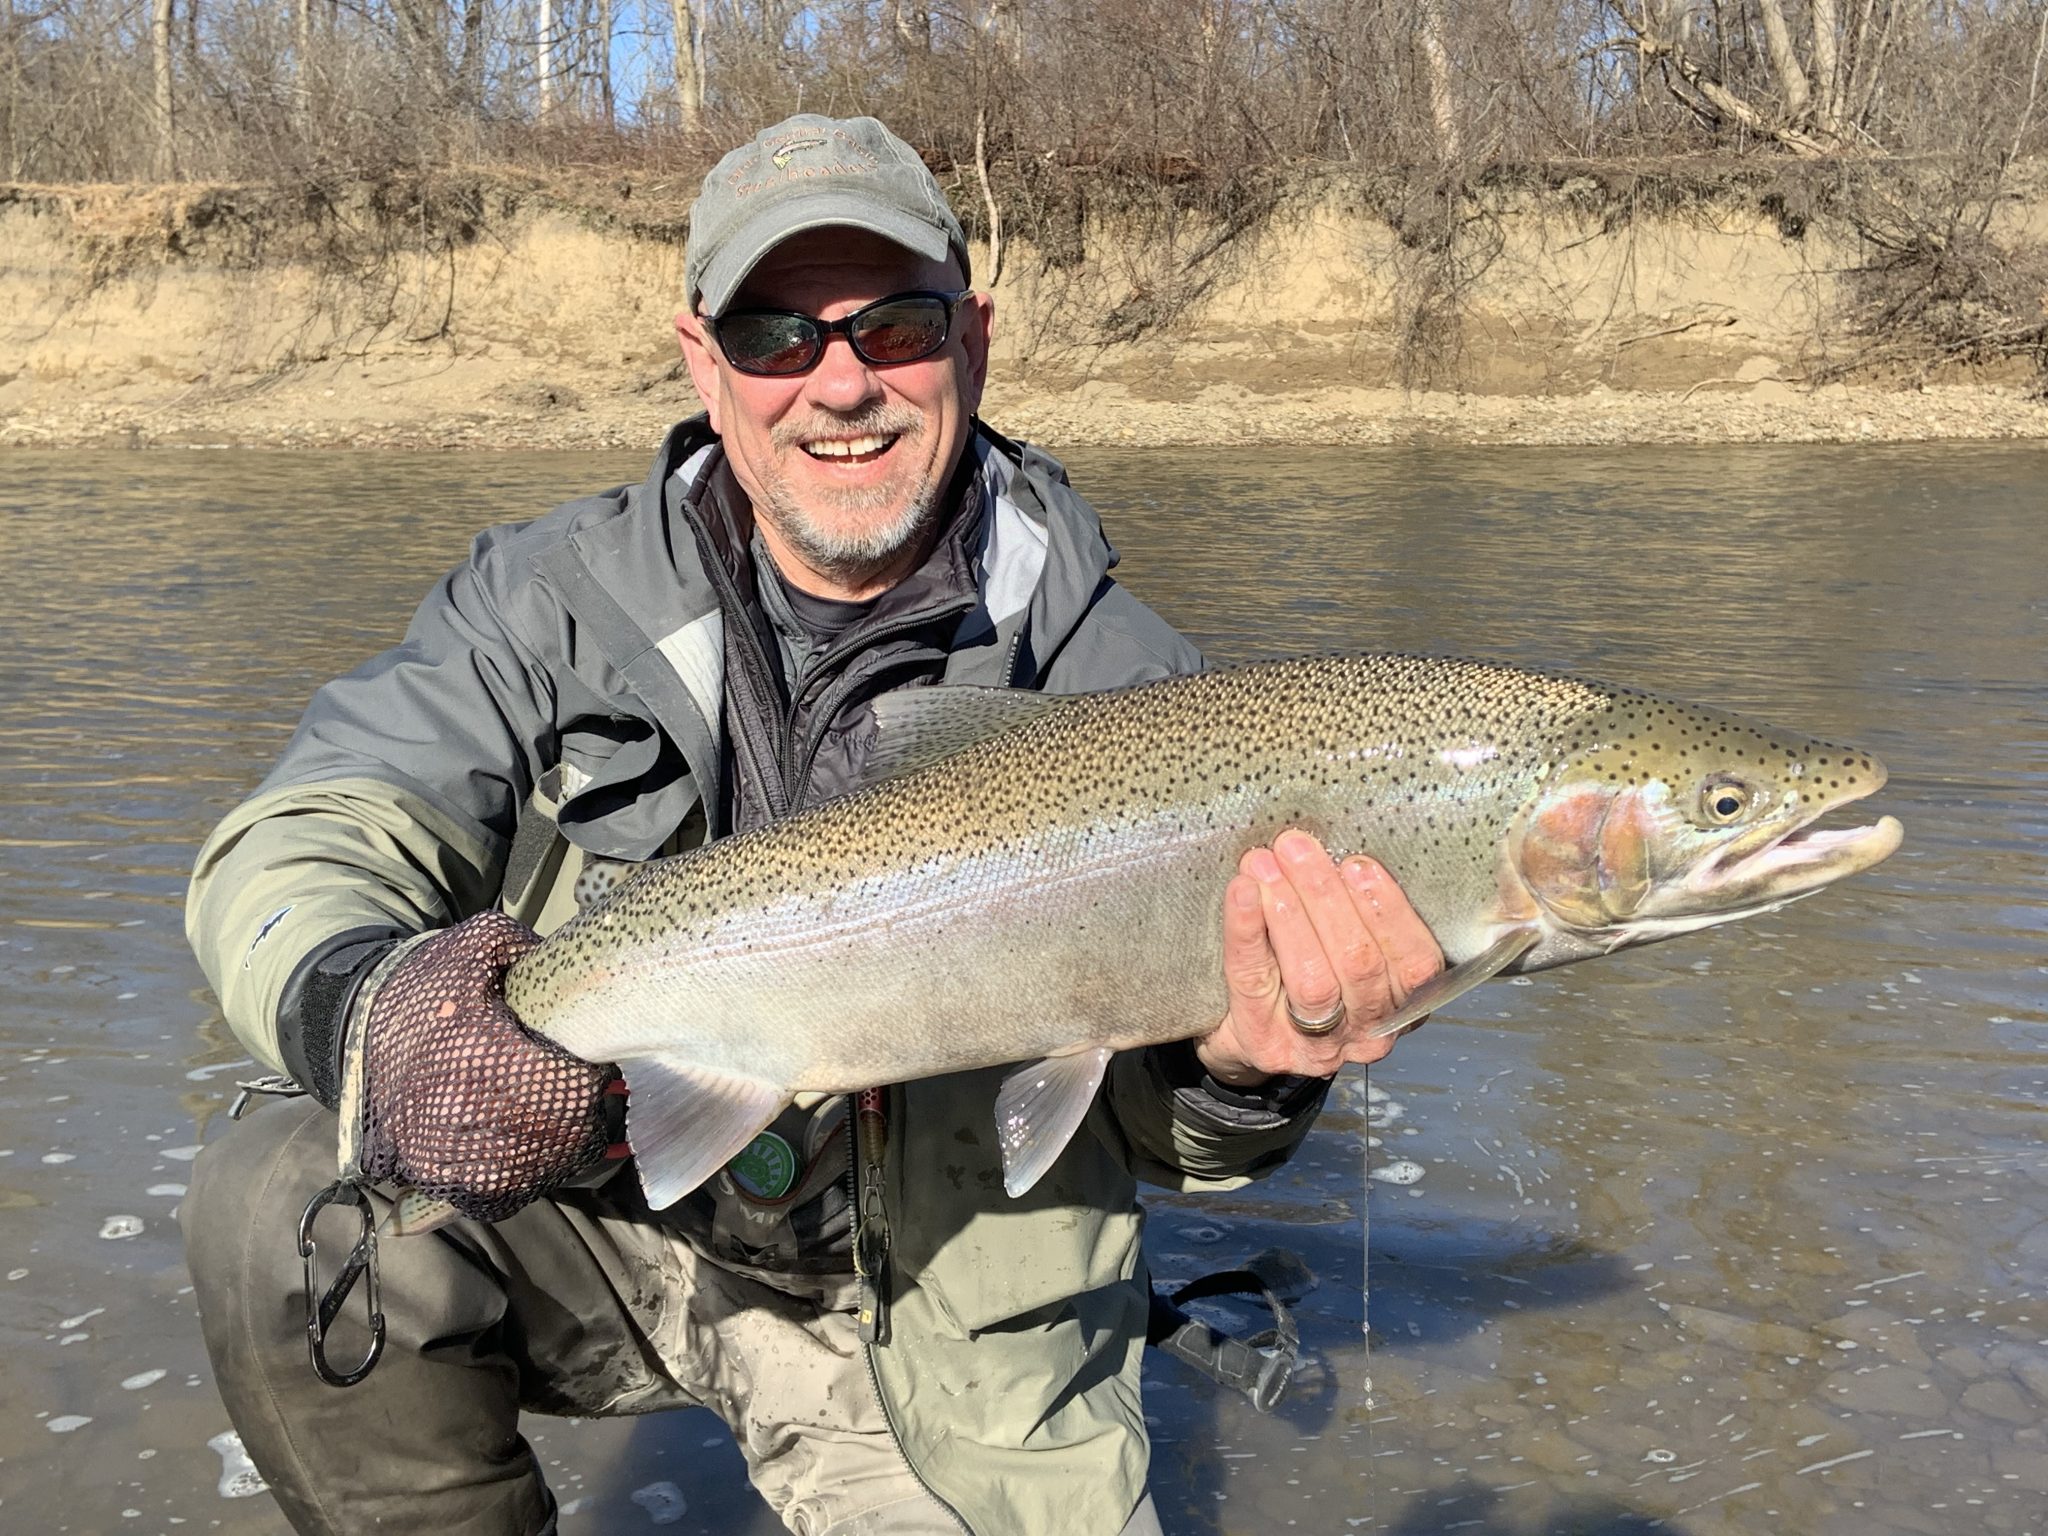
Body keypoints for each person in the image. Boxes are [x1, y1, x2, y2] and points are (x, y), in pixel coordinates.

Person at [180, 113, 1443, 1536]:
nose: (841, 385)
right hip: (608, 1207)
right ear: (703, 364)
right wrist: (377, 1011)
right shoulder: (544, 602)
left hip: (943, 1304)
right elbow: (305, 836)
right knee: (287, 1203)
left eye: (893, 325)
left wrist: (1248, 1074)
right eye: (779, 335)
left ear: (972, 338)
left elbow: (1163, 1138)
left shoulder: (1128, 686)